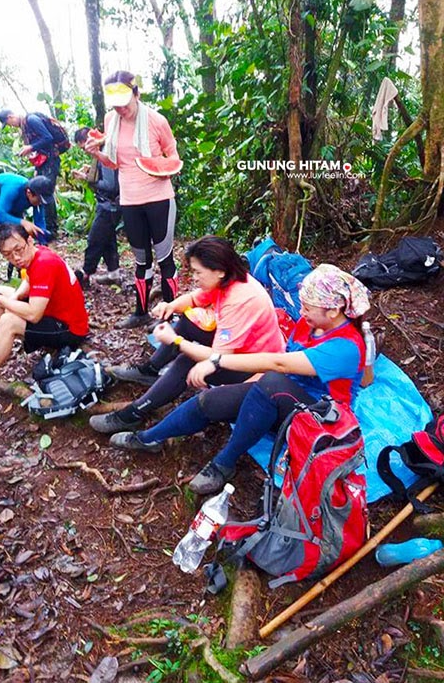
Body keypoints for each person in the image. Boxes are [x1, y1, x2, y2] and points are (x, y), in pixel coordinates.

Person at [106, 264, 370, 495]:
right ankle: (150, 437)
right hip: (283, 396)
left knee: (271, 383)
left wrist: (217, 361)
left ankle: (225, 462)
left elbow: (279, 363)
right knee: (210, 400)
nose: (302, 311)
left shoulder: (346, 347)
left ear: (334, 311)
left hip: (322, 418)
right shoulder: (308, 323)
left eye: (308, 307)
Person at [89, 236, 284, 435]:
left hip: (256, 366)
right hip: (240, 348)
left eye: (198, 272)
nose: (194, 278)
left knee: (187, 360)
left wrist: (177, 341)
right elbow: (193, 299)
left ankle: (134, 413)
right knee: (188, 320)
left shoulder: (240, 299)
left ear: (219, 271)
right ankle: (150, 370)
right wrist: (170, 306)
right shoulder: (225, 280)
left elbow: (218, 358)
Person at [0, 223, 89, 418]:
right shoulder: (38, 254)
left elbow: (33, 315)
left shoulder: (44, 263)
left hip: (70, 329)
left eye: (18, 249)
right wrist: (7, 299)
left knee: (8, 320)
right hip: (55, 315)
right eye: (8, 255)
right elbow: (29, 282)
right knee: (5, 292)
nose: (16, 258)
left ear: (29, 241)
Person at [84, 71, 182, 329]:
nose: (121, 110)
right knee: (141, 260)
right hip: (129, 199)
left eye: (125, 104)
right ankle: (141, 312)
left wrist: (157, 165)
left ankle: (169, 316)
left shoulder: (156, 120)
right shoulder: (110, 120)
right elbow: (115, 163)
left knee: (165, 259)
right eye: (115, 105)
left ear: (136, 94)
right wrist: (98, 153)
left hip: (159, 197)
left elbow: (173, 157)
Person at [72, 127, 124, 290]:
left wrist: (87, 179)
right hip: (113, 205)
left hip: (110, 206)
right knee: (107, 238)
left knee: (95, 239)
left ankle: (85, 274)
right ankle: (114, 274)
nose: (85, 151)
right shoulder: (104, 151)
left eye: (83, 147)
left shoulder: (105, 152)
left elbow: (110, 185)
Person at [0, 172, 52, 280]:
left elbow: (39, 222)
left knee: (19, 240)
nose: (40, 203)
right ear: (29, 193)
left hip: (13, 210)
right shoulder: (13, 188)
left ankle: (24, 273)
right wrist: (24, 222)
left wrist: (44, 244)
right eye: (39, 200)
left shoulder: (36, 198)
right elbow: (0, 215)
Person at [0, 109, 63, 237]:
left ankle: (52, 229)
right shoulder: (25, 127)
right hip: (43, 162)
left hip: (50, 161)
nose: (11, 126)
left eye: (9, 123)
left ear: (11, 117)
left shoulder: (31, 120)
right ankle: (45, 228)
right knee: (38, 191)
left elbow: (48, 138)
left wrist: (30, 147)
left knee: (45, 192)